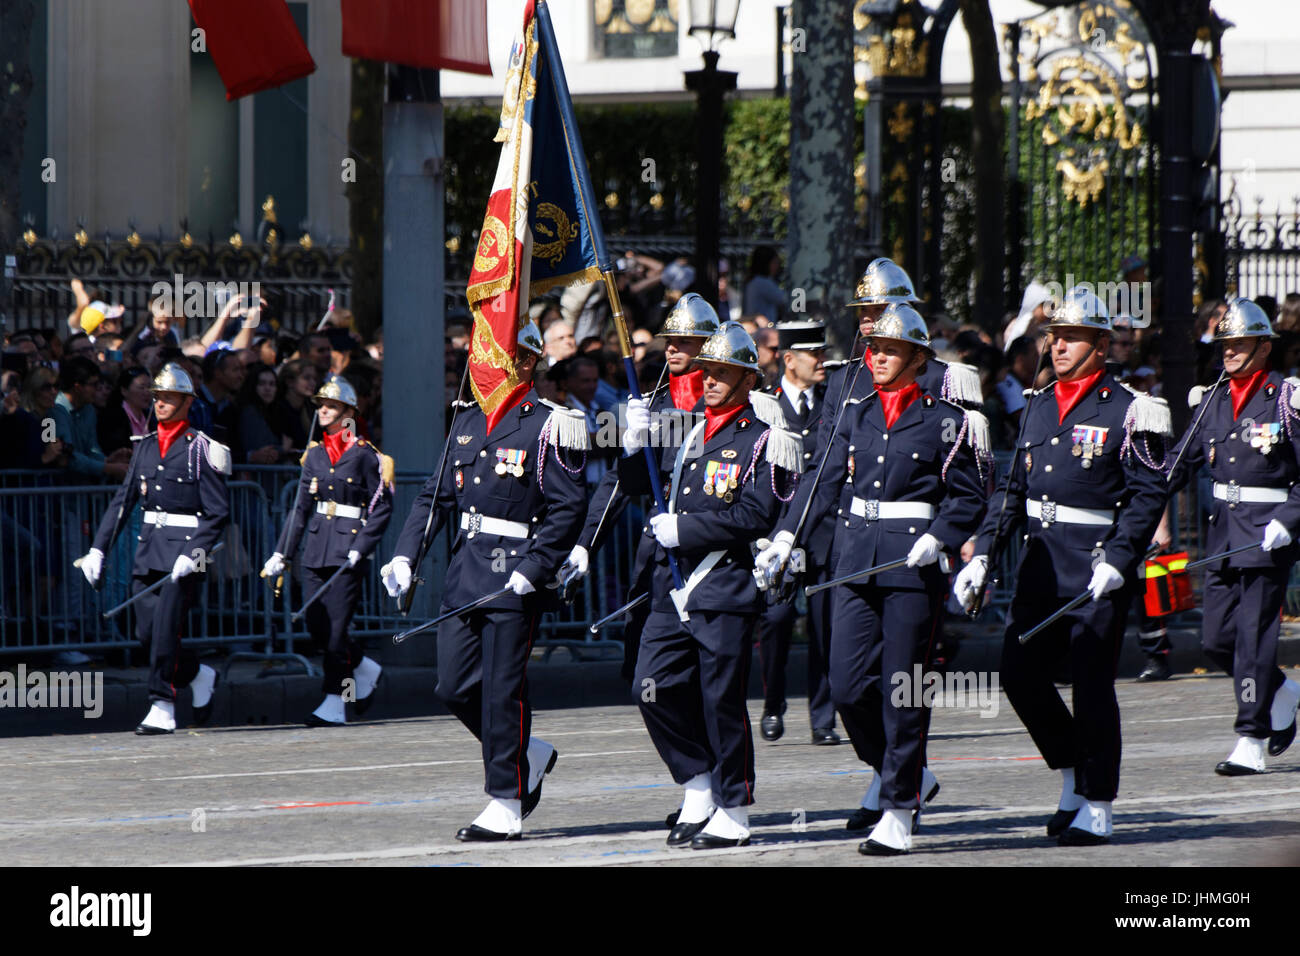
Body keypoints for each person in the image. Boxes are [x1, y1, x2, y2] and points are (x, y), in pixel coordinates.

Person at [758, 305, 988, 855]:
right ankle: (900, 772)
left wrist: (943, 534)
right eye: (874, 348)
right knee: (846, 684)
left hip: (912, 564)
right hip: (855, 559)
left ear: (916, 358)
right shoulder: (854, 413)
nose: (877, 356)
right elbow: (822, 479)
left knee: (903, 690)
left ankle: (897, 809)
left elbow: (970, 493)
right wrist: (789, 536)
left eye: (890, 350)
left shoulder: (944, 419)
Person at [953, 286, 1171, 846]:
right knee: (1018, 674)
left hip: (1098, 569)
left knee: (1093, 686)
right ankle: (1074, 773)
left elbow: (1148, 494)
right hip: (1042, 566)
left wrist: (1122, 559)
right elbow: (1012, 494)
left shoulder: (1128, 407)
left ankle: (1098, 803)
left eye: (1073, 337)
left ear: (1101, 345)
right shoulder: (1039, 404)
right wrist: (982, 554)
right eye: (1055, 337)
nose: (1058, 347)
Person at [380, 321, 587, 841]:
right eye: (492, 354)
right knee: (452, 686)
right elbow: (433, 499)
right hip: (465, 572)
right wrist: (406, 556)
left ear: (529, 362)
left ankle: (505, 800)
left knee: (501, 692)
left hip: (515, 575)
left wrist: (534, 568)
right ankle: (527, 753)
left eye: (509, 355)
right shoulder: (467, 423)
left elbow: (568, 507)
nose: (494, 364)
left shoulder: (546, 424)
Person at [619, 321, 803, 850]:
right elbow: (637, 487)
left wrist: (688, 529)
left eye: (723, 373)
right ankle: (697, 781)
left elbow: (756, 513)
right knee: (648, 686)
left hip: (722, 584)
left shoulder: (761, 439)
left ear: (748, 380)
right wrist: (634, 445)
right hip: (671, 588)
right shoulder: (688, 432)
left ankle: (734, 808)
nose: (710, 381)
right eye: (707, 372)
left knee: (720, 699)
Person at [1166, 299, 1300, 772]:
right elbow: (1178, 464)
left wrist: (1289, 518)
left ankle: (1251, 737)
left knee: (1252, 639)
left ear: (1265, 347)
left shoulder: (1285, 397)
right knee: (1216, 640)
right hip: (1224, 534)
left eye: (1240, 343)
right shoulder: (1212, 400)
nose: (1230, 352)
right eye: (1226, 344)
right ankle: (1281, 691)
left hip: (1267, 534)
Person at [558, 294, 720, 683]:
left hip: (713, 550)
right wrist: (585, 544)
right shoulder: (649, 406)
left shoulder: (729, 407)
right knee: (644, 674)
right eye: (670, 341)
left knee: (711, 682)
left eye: (685, 341)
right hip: (660, 550)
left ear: (708, 346)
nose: (673, 348)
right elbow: (621, 482)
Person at [77, 363, 231, 734]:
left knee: (165, 631)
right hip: (148, 552)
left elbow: (217, 513)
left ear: (186, 403)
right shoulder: (144, 447)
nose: (159, 403)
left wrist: (193, 553)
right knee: (147, 634)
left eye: (168, 397)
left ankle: (161, 703)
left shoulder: (200, 450)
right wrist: (99, 549)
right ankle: (197, 674)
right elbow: (123, 502)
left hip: (183, 557)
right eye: (156, 397)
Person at [262, 375, 394, 725]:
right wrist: (282, 553)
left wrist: (362, 546)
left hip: (347, 550)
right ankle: (364, 668)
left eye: (331, 406)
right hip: (316, 548)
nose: (322, 411)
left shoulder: (365, 455)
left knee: (336, 632)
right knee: (316, 626)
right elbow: (300, 509)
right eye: (320, 405)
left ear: (349, 411)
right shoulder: (316, 455)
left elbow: (382, 505)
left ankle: (335, 702)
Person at [754, 320, 840, 746]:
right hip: (779, 532)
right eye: (814, 354)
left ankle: (822, 718)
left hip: (823, 530)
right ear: (789, 360)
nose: (821, 360)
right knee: (776, 620)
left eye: (822, 353)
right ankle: (773, 704)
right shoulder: (764, 406)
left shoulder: (834, 404)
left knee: (825, 626)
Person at [98, 366, 153, 457]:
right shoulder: (112, 418)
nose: (147, 392)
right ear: (124, 391)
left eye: (149, 387)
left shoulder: (152, 417)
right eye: (141, 387)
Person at [744, 245, 785, 323]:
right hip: (762, 329)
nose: (777, 266)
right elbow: (784, 300)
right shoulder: (762, 282)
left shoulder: (754, 280)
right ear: (767, 263)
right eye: (775, 262)